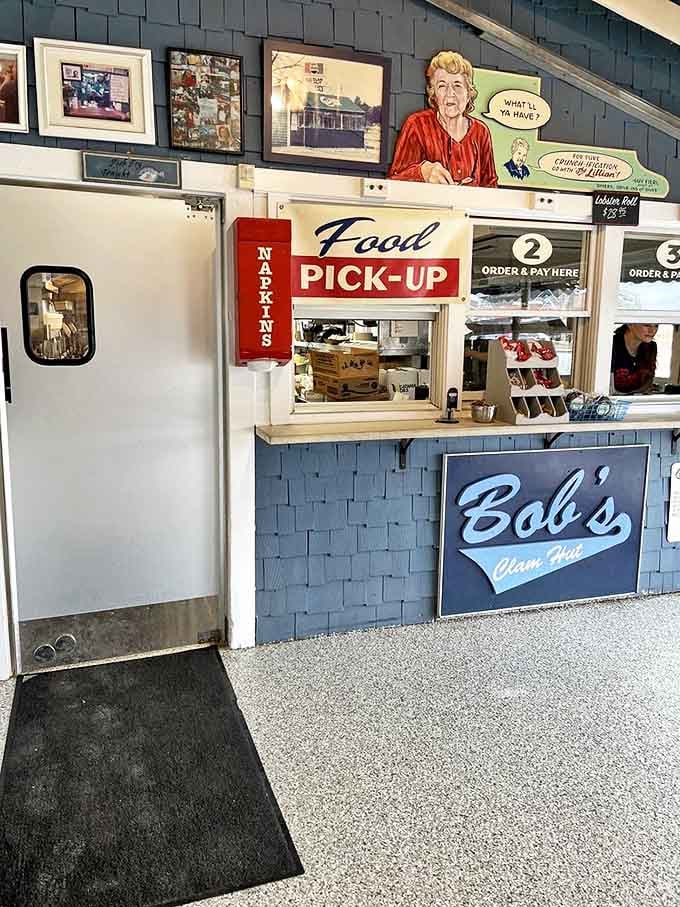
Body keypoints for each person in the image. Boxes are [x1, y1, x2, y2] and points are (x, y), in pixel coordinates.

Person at [389, 51, 497, 187]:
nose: (450, 94)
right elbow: (394, 180)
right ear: (433, 94)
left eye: (457, 85)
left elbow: (490, 186)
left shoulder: (481, 132)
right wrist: (422, 172)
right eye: (442, 86)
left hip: (468, 208)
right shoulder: (417, 125)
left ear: (469, 93)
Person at [610, 323, 658, 394]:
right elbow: (609, 389)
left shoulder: (651, 346)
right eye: (647, 325)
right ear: (630, 324)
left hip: (637, 401)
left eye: (656, 326)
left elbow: (647, 385)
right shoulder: (612, 344)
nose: (652, 331)